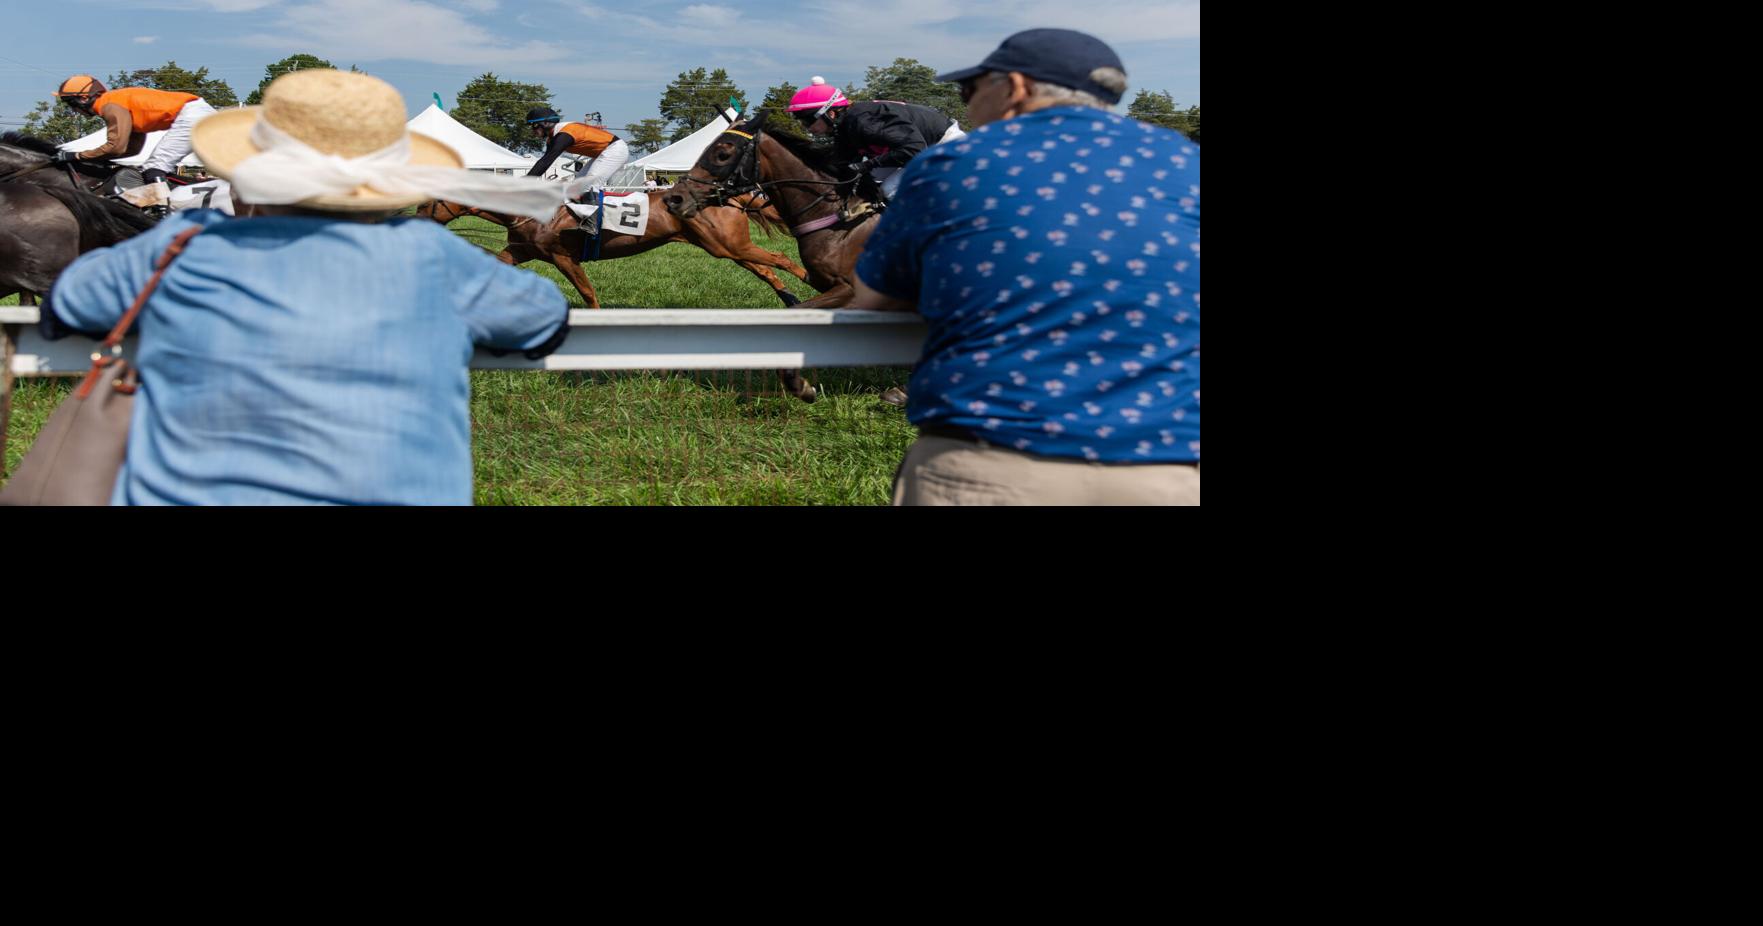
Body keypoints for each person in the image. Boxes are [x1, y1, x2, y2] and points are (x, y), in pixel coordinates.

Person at [44, 69, 570, 505]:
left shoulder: (183, 246)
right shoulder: (430, 253)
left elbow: (70, 302)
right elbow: (542, 318)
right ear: (383, 184)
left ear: (251, 171)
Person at [849, 29, 1201, 505]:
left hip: (991, 462)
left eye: (969, 90)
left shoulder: (953, 162)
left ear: (1015, 87)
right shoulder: (1185, 160)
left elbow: (873, 297)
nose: (966, 105)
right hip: (1166, 469)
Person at [785, 77, 967, 200]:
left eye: (808, 121)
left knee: (890, 189)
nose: (806, 127)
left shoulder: (864, 123)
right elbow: (841, 165)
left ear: (830, 113)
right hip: (918, 148)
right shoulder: (845, 127)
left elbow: (913, 149)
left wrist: (866, 165)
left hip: (943, 146)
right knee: (867, 186)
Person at [53, 75, 217, 186]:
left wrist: (76, 156)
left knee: (154, 169)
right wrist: (97, 159)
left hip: (191, 116)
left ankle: (162, 212)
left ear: (84, 98)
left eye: (72, 104)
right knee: (151, 169)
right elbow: (131, 149)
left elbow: (115, 146)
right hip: (198, 113)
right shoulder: (117, 103)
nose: (74, 110)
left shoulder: (109, 106)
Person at [524, 107, 631, 193]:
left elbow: (546, 161)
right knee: (576, 189)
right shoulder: (553, 137)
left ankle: (595, 220)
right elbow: (543, 161)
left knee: (588, 187)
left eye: (534, 126)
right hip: (604, 152)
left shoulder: (564, 135)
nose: (532, 130)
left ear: (546, 123)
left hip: (615, 150)